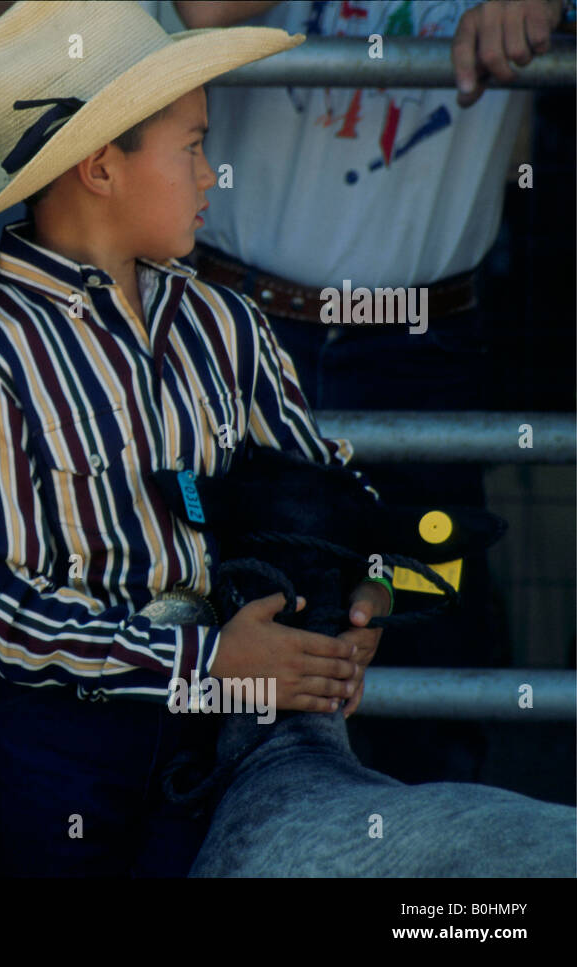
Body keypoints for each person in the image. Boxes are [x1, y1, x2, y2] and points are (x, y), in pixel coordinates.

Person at [0, 0, 391, 876]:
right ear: (101, 166)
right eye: (193, 145)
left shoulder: (224, 324)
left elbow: (330, 499)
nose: (213, 174)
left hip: (221, 740)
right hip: (58, 755)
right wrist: (210, 657)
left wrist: (361, 600)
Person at [171, 0, 567, 784]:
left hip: (424, 340)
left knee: (431, 618)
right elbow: (205, 6)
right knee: (210, 621)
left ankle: (437, 903)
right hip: (233, 320)